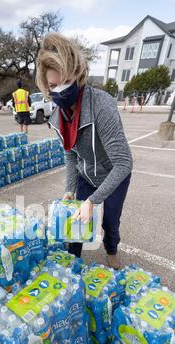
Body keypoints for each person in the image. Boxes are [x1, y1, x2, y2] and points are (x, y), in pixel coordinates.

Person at [36, 33, 133, 270]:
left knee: (110, 220)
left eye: (65, 81)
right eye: (52, 86)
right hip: (86, 175)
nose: (60, 90)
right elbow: (70, 153)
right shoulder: (58, 116)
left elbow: (123, 163)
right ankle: (73, 260)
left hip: (113, 175)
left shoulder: (102, 104)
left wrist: (93, 201)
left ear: (78, 75)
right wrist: (70, 189)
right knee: (75, 219)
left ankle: (111, 250)